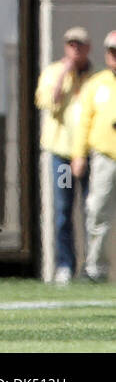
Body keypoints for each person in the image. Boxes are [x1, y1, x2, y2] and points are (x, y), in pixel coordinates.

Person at [35, 26, 93, 283]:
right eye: (71, 44)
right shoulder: (52, 73)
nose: (75, 49)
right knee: (63, 210)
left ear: (88, 48)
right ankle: (65, 265)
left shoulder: (96, 77)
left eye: (79, 45)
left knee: (92, 210)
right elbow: (49, 102)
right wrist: (64, 74)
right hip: (62, 155)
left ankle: (91, 267)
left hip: (89, 153)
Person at [72, 30, 116, 283]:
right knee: (98, 212)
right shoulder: (97, 83)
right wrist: (79, 155)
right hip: (105, 157)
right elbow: (83, 122)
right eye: (112, 51)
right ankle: (96, 269)